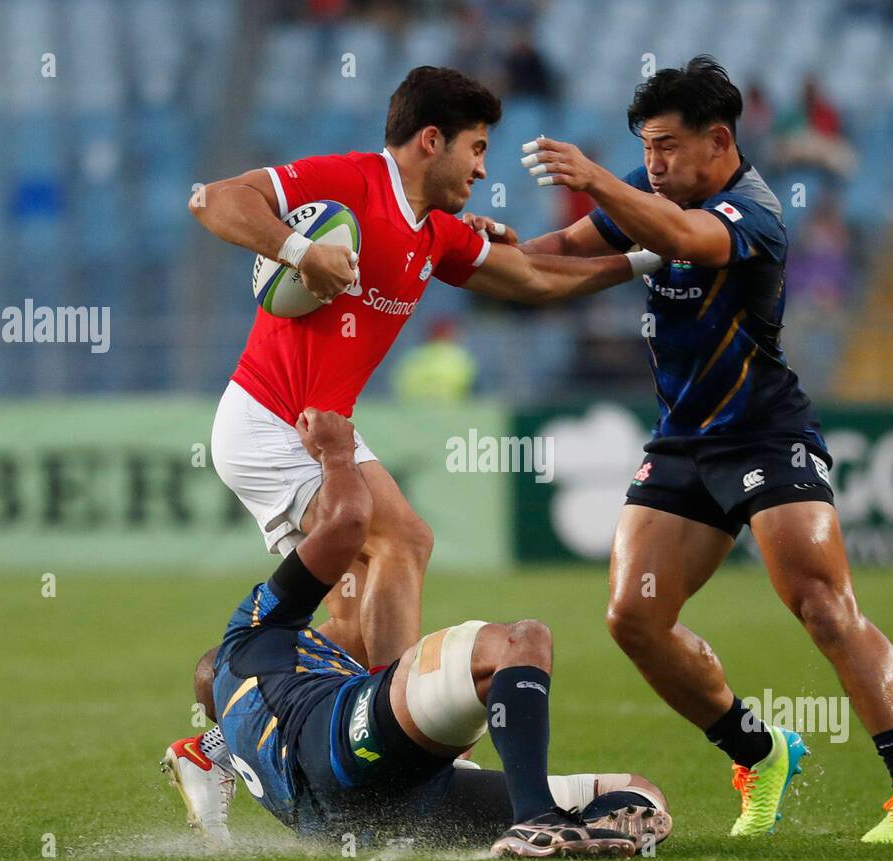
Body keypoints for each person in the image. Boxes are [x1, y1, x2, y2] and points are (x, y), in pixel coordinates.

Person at [466, 56, 893, 844]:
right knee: (633, 617)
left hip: (767, 434)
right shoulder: (653, 193)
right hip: (684, 441)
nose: (652, 164)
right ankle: (758, 751)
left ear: (718, 140)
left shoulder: (753, 212)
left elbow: (685, 237)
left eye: (665, 146)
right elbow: (562, 252)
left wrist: (598, 179)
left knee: (823, 605)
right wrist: (497, 246)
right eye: (645, 149)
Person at [186, 65, 655, 673]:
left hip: (316, 431)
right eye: (477, 148)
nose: (483, 169)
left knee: (353, 624)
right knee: (405, 539)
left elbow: (536, 276)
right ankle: (402, 747)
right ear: (432, 141)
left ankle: (217, 725)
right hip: (274, 420)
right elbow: (211, 198)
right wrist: (299, 251)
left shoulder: (437, 234)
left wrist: (650, 258)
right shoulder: (350, 180)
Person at [162, 408, 672, 859]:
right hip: (346, 746)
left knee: (639, 797)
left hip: (377, 811)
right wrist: (336, 454)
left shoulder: (265, 687)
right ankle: (535, 821)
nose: (318, 631)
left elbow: (349, 612)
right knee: (522, 641)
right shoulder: (253, 633)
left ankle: (569, 825)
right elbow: (345, 526)